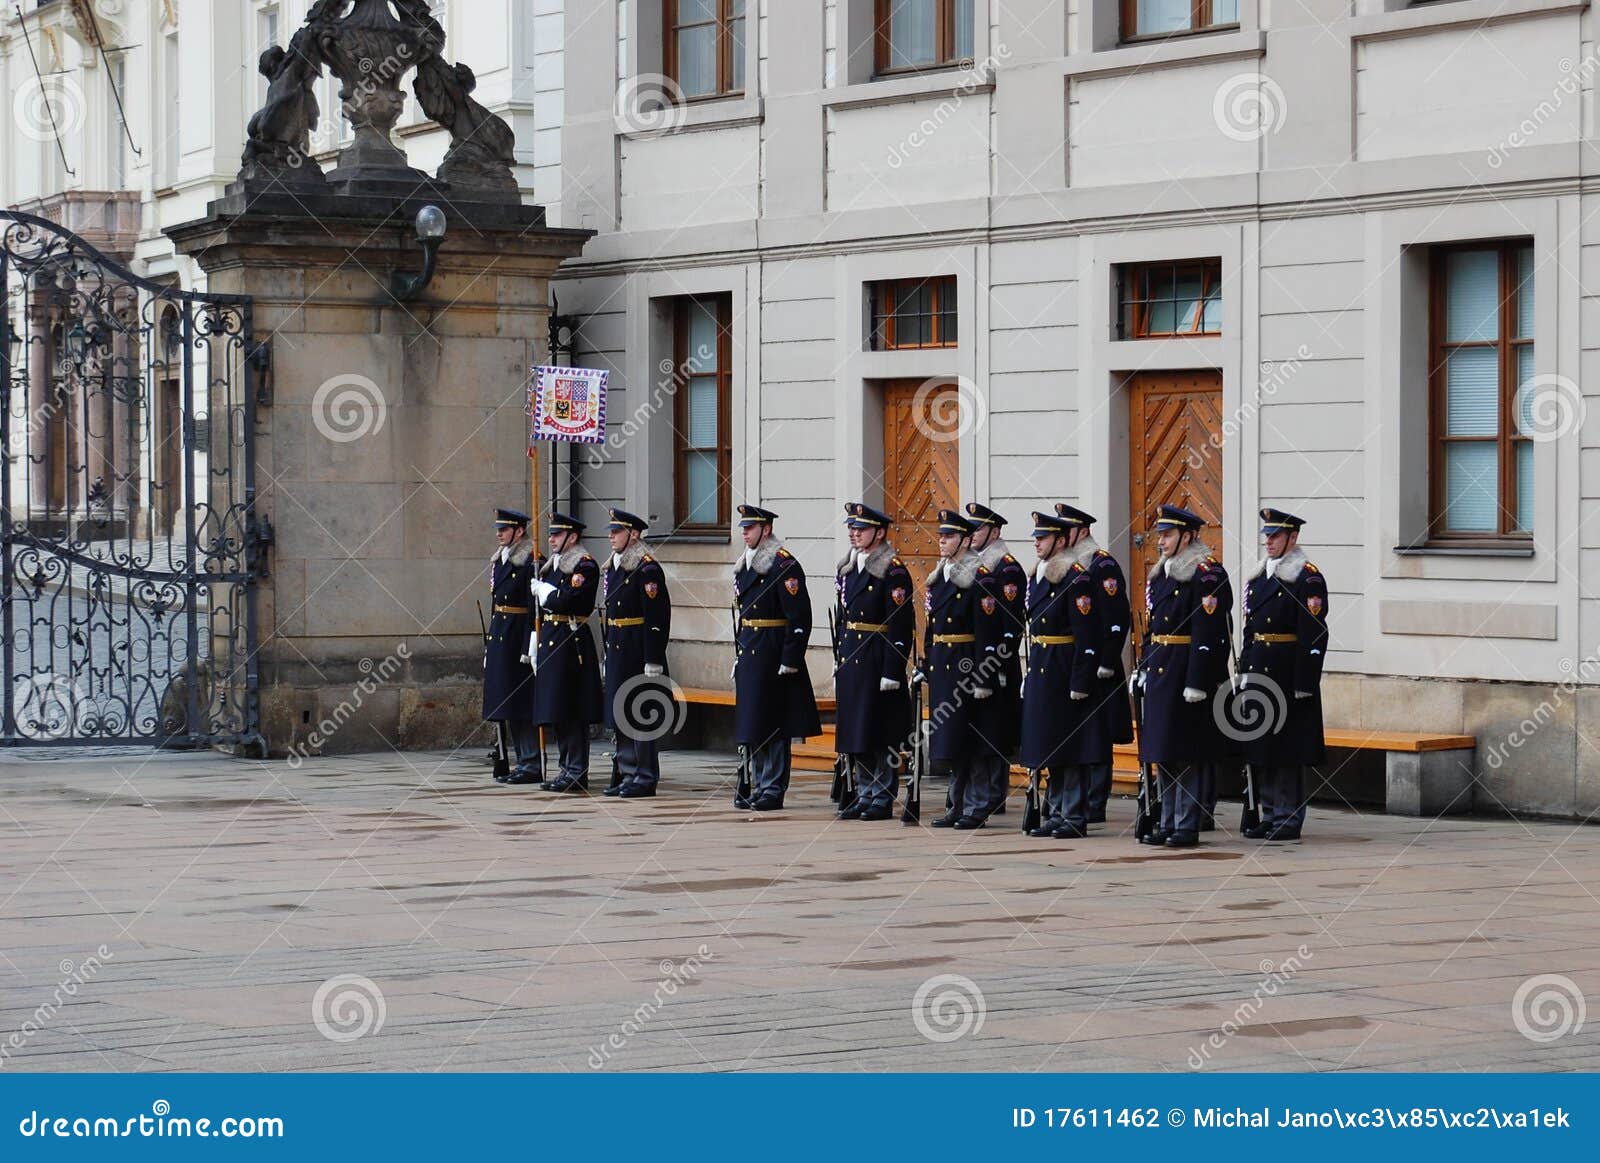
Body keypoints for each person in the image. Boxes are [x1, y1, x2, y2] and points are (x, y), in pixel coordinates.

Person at [1131, 504, 1232, 848]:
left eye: (1168, 534)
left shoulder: (1206, 574)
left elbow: (1209, 631)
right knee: (1165, 751)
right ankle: (1168, 819)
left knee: (1188, 750)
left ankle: (1187, 823)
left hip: (1186, 672)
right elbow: (1152, 626)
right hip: (1162, 669)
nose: (1161, 541)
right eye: (1160, 534)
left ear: (1187, 536)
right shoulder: (1162, 573)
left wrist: (1198, 680)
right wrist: (1143, 667)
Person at [1237, 508, 1329, 842]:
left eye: (1276, 536)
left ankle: (1288, 818)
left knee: (1287, 751)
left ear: (1293, 537)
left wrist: (1305, 682)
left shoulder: (1307, 578)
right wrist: (1244, 671)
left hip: (1288, 674)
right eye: (1267, 536)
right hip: (1261, 671)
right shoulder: (1260, 577)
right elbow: (1251, 630)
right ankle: (1270, 812)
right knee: (1264, 748)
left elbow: (1314, 634)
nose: (1270, 542)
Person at [1018, 510, 1104, 839]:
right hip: (1043, 665)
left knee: (1073, 746)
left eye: (1043, 538)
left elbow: (1088, 635)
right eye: (1036, 538)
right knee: (1049, 744)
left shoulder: (1077, 578)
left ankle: (1073, 814)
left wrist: (1081, 680)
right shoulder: (1039, 575)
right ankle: (1055, 811)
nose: (1037, 543)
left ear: (1061, 540)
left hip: (1065, 668)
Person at [731, 504, 821, 811]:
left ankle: (772, 787)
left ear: (766, 530)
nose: (744, 533)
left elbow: (799, 618)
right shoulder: (744, 565)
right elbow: (743, 615)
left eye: (750, 528)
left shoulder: (784, 566)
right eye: (743, 528)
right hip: (751, 648)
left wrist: (791, 658)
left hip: (773, 651)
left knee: (774, 723)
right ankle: (757, 782)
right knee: (754, 722)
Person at [832, 502, 915, 822]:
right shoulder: (850, 568)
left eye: (861, 529)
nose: (854, 534)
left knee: (880, 731)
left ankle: (882, 795)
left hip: (878, 657)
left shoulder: (892, 571)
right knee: (858, 731)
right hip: (854, 656)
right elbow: (844, 618)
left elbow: (901, 623)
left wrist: (893, 669)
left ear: (879, 533)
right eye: (852, 529)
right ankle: (865, 791)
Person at [1054, 502, 1134, 825]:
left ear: (1082, 531)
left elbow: (1116, 620)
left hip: (1100, 665)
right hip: (1076, 665)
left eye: (1066, 530)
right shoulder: (1066, 567)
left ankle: (1095, 800)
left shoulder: (1102, 566)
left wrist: (1107, 661)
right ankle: (1075, 797)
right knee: (1077, 732)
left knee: (1098, 735)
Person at [917, 510, 988, 829]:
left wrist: (983, 675)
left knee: (971, 738)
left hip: (967, 664)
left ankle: (976, 806)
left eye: (948, 537)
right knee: (952, 741)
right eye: (941, 536)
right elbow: (932, 627)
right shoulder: (940, 576)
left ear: (964, 540)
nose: (942, 541)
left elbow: (988, 630)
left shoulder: (979, 576)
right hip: (944, 665)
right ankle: (955, 804)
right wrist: (925, 662)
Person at [959, 501, 1026, 823]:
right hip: (974, 659)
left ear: (995, 532)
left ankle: (994, 794)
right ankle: (982, 793)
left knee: (994, 728)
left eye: (980, 529)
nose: (972, 535)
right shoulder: (971, 566)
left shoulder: (1007, 568)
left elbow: (1011, 624)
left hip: (996, 662)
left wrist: (995, 664)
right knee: (978, 727)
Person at [528, 512, 604, 793]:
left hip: (571, 643)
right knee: (557, 709)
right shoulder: (554, 566)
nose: (551, 539)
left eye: (557, 535)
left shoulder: (584, 566)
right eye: (551, 534)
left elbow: (571, 601)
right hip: (552, 639)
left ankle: (575, 771)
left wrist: (547, 593)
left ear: (572, 537)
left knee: (573, 710)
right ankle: (565, 769)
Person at [602, 509, 671, 799]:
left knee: (640, 714)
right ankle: (628, 771)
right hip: (618, 644)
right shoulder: (617, 567)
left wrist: (653, 657)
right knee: (621, 712)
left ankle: (645, 776)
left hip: (638, 649)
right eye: (611, 531)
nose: (611, 536)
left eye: (616, 532)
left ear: (634, 534)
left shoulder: (647, 569)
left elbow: (656, 617)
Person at [484, 508, 542, 785]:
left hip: (518, 635)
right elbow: (496, 603)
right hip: (501, 636)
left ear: (519, 531)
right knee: (506, 701)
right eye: (498, 529)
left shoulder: (531, 560)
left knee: (522, 701)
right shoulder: (500, 560)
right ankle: (519, 759)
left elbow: (534, 607)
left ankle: (531, 761)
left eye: (504, 529)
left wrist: (531, 641)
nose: (499, 534)